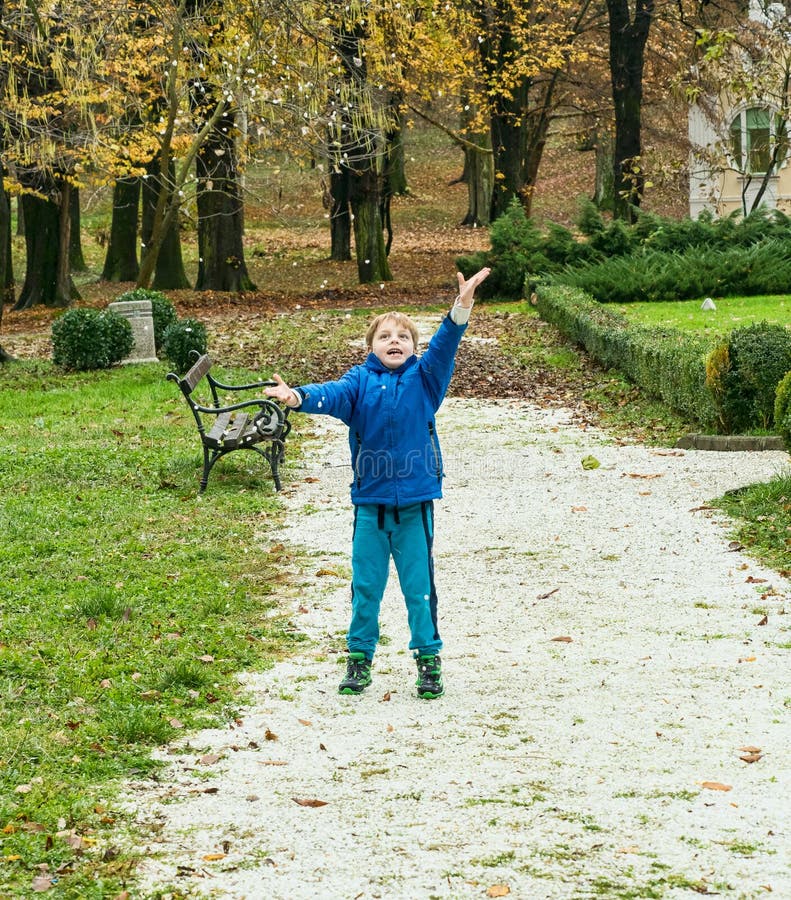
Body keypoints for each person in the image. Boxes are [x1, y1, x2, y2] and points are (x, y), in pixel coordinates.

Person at [265, 267, 490, 699]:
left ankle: (428, 661)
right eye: (385, 336)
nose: (394, 342)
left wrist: (461, 306)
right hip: (370, 506)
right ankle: (359, 659)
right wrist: (297, 397)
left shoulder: (427, 379)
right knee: (366, 586)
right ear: (370, 347)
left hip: (414, 505)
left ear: (413, 348)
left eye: (403, 337)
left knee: (418, 588)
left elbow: (446, 345)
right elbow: (329, 393)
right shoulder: (358, 382)